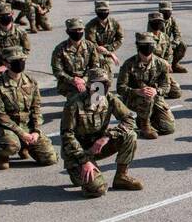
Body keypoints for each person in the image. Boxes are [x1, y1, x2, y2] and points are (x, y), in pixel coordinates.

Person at [59, 67, 144, 198]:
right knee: (97, 190)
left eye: (105, 83)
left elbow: (129, 119)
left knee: (130, 135)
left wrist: (107, 137)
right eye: (97, 84)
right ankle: (77, 172)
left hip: (98, 147)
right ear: (89, 86)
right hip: (78, 153)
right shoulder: (74, 104)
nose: (101, 87)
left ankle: (121, 176)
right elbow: (67, 136)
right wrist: (84, 161)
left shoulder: (110, 99)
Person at [0, 46, 57, 170]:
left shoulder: (31, 82)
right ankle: (3, 155)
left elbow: (36, 108)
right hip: (8, 128)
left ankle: (25, 147)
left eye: (21, 60)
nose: (19, 63)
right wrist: (22, 134)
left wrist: (36, 131)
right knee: (11, 145)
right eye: (15, 61)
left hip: (28, 126)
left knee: (50, 159)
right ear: (6, 63)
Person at [117, 33, 175, 140]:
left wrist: (156, 91)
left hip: (155, 97)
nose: (147, 47)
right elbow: (120, 88)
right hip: (133, 98)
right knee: (147, 97)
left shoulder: (161, 64)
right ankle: (144, 126)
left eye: (150, 44)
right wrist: (138, 91)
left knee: (168, 128)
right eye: (144, 44)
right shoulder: (129, 64)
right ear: (138, 45)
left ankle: (144, 118)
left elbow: (166, 86)